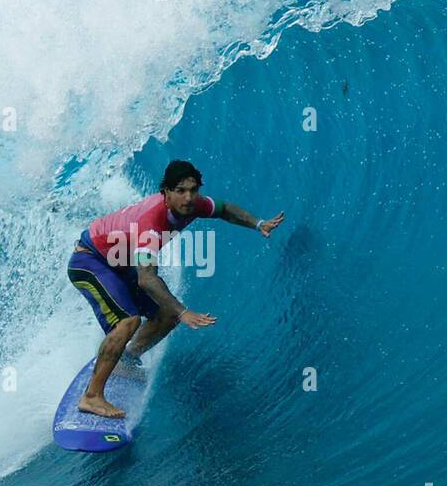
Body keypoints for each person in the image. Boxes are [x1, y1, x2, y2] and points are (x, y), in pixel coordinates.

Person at [66, 159, 285, 418]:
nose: (188, 197)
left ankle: (125, 360)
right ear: (166, 193)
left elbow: (225, 210)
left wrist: (258, 223)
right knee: (128, 321)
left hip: (119, 264)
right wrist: (184, 312)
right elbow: (146, 279)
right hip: (90, 261)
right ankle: (91, 397)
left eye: (193, 190)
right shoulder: (151, 222)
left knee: (166, 314)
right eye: (180, 190)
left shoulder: (194, 205)